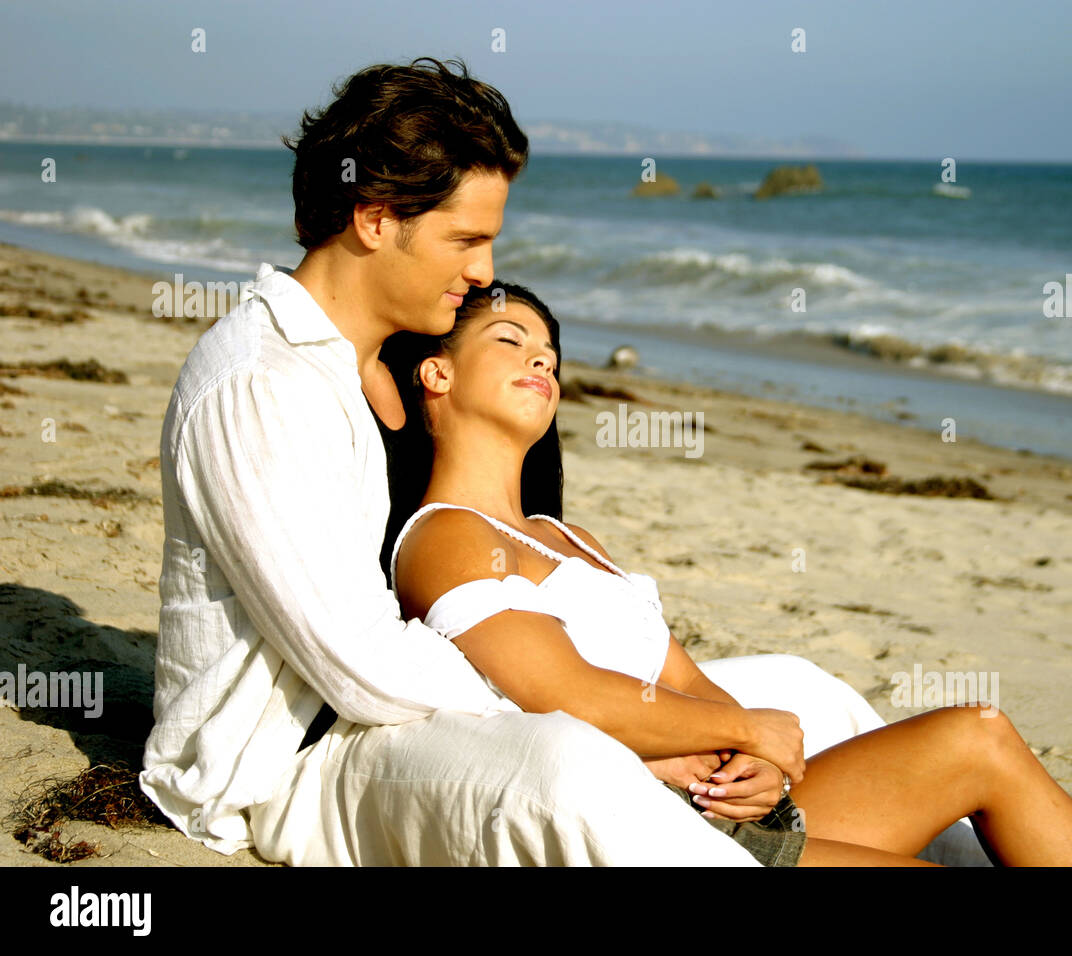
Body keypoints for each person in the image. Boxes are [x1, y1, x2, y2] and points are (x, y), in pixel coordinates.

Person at [139, 55, 985, 866]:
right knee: (574, 769)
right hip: (298, 757)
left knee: (806, 692)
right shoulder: (263, 385)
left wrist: (683, 715)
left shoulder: (396, 357)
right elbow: (361, 667)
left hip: (465, 694)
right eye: (466, 240)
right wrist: (613, 720)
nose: (485, 272)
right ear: (375, 220)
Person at [383, 280, 1072, 867]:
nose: (541, 359)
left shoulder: (566, 536)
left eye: (549, 351)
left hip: (729, 807)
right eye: (511, 340)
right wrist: (744, 728)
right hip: (662, 836)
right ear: (436, 373)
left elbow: (685, 677)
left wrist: (760, 760)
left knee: (980, 734)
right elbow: (569, 694)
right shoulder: (447, 535)